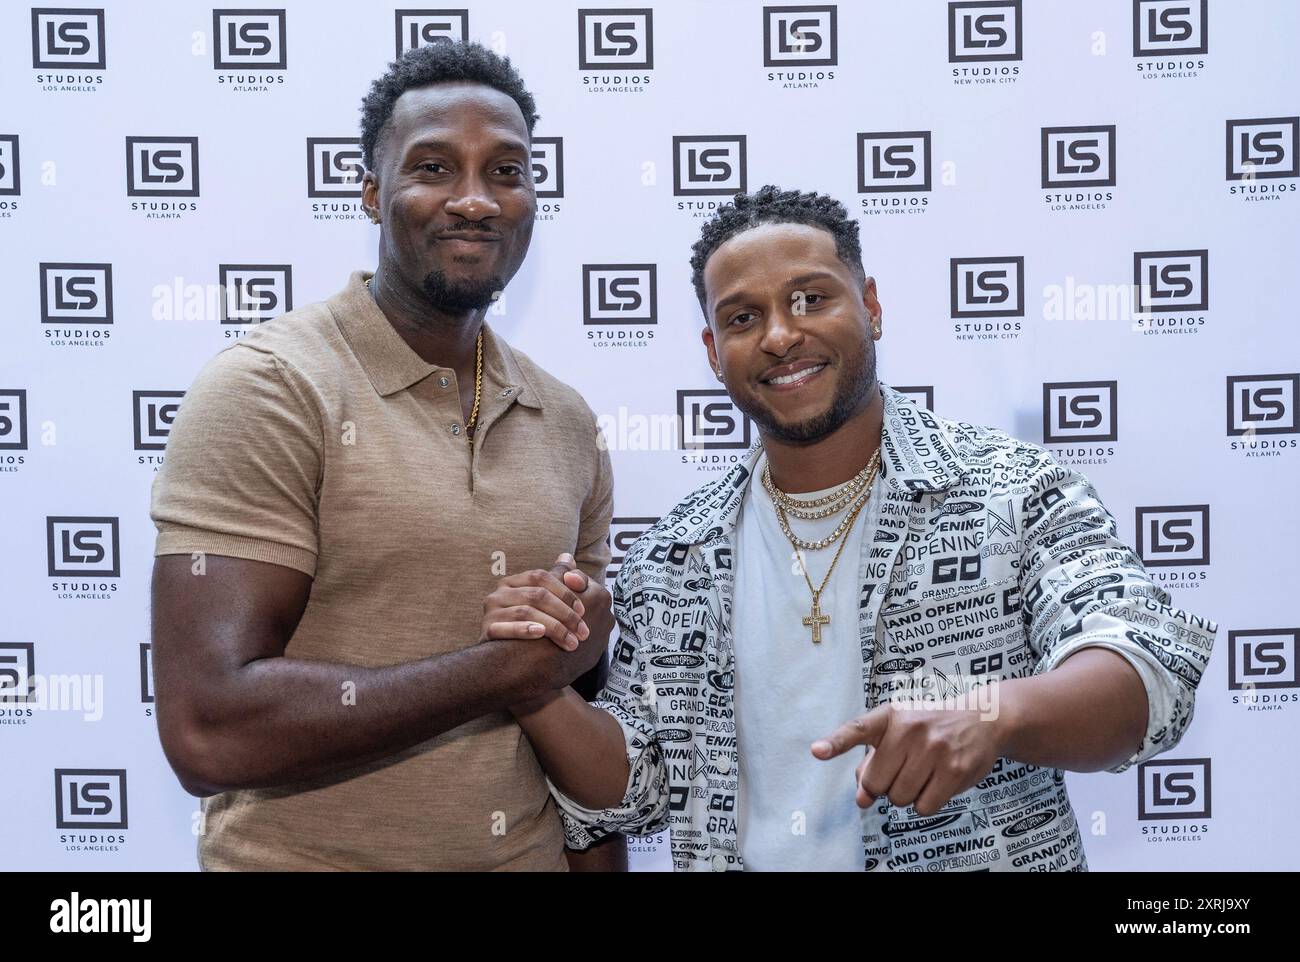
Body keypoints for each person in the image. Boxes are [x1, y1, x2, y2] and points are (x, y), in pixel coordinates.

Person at [512, 185, 1218, 871]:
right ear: (712, 349)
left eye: (811, 299)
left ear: (871, 306)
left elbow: (1147, 671)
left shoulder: (1012, 490)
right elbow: (632, 791)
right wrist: (533, 683)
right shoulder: (674, 554)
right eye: (742, 318)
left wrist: (992, 716)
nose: (782, 336)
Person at [148, 41, 624, 871]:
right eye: (434, 167)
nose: (475, 200)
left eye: (506, 172)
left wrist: (560, 647)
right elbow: (208, 730)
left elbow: (576, 688)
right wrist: (496, 672)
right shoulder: (270, 389)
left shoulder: (566, 419)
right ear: (371, 193)